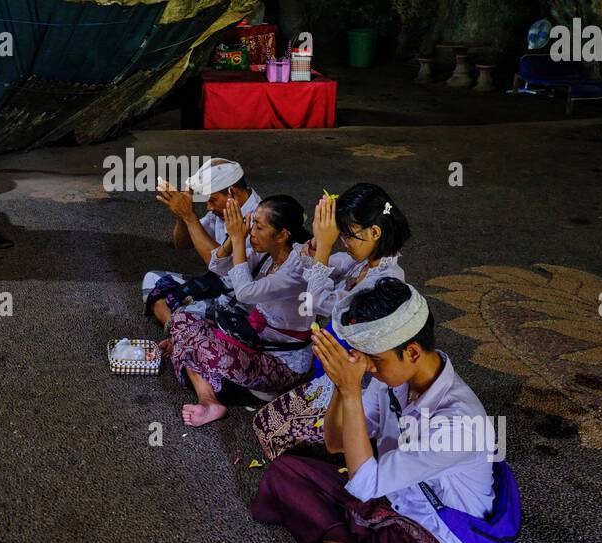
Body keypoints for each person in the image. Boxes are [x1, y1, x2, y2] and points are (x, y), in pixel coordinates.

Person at [251, 278, 500, 543]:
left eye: (374, 360)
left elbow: (366, 483)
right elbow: (336, 441)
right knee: (287, 470)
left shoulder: (458, 422)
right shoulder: (394, 380)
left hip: (434, 538)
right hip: (386, 496)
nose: (367, 367)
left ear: (411, 352)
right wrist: (343, 388)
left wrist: (352, 391)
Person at [252, 184, 411, 461]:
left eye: (348, 235)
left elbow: (317, 301)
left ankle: (361, 450)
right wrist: (317, 242)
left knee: (284, 443)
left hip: (362, 385)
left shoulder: (385, 279)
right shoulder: (363, 262)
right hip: (338, 373)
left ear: (375, 232)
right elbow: (313, 265)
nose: (343, 242)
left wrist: (324, 247)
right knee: (266, 422)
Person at [166, 195, 313, 427]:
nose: (252, 231)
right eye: (252, 223)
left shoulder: (297, 269)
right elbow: (218, 266)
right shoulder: (268, 252)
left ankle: (206, 386)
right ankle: (209, 400)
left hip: (283, 366)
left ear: (282, 235)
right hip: (255, 344)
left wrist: (237, 239)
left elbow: (245, 292)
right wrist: (234, 239)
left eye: (259, 226)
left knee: (196, 346)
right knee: (183, 319)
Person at [143, 159, 260, 325]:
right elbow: (182, 244)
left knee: (186, 307)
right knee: (152, 278)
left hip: (240, 300)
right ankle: (176, 325)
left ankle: (181, 325)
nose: (209, 207)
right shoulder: (222, 210)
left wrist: (189, 217)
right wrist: (182, 216)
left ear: (232, 193)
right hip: (215, 286)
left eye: (212, 200)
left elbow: (219, 266)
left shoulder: (260, 220)